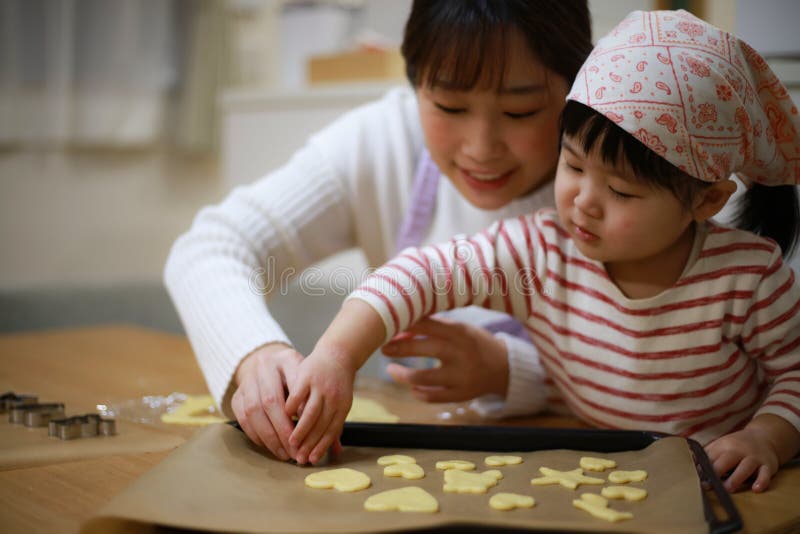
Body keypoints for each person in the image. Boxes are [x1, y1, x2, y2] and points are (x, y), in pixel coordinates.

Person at [285, 10, 800, 493]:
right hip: (600, 478)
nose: (584, 202)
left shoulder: (746, 278)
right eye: (573, 166)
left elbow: (795, 376)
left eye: (620, 191)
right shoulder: (540, 252)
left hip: (717, 490)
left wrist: (765, 438)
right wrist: (336, 355)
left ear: (706, 199)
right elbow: (419, 274)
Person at [164, 0, 593, 460]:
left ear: (578, 87)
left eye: (520, 111)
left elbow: (663, 373)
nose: (481, 147)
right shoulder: (385, 143)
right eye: (449, 106)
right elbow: (209, 247)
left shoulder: (619, 181)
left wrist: (516, 372)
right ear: (415, 84)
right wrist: (256, 355)